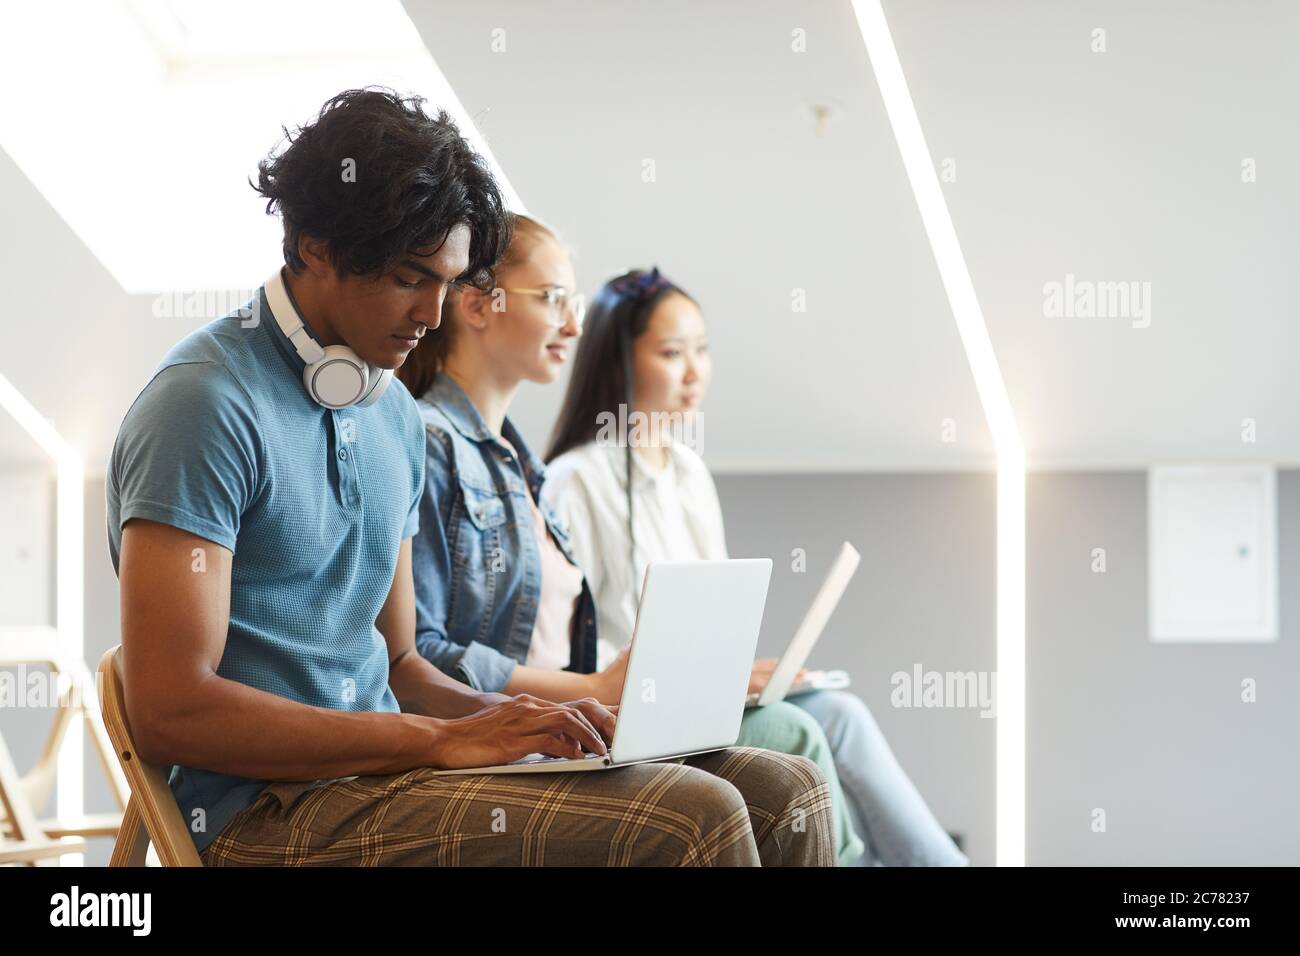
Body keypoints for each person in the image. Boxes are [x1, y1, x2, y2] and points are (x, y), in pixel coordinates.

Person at [105, 89, 833, 867]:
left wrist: (521, 718)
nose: (435, 310)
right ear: (314, 245)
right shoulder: (204, 405)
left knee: (787, 789)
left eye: (450, 281)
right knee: (695, 817)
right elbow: (171, 710)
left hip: (385, 777)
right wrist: (444, 739)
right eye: (412, 278)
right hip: (269, 815)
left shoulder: (389, 414)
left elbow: (400, 666)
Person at [398, 213, 858, 863]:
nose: (574, 324)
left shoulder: (518, 463)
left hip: (566, 723)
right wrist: (594, 688)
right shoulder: (430, 443)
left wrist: (609, 689)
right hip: (511, 739)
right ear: (476, 304)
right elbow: (421, 656)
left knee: (794, 779)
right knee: (725, 798)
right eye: (554, 298)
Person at [542, 268, 969, 867]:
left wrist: (742, 672)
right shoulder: (577, 480)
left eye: (702, 351)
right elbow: (572, 650)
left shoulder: (689, 473)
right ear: (619, 360)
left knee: (840, 710)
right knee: (814, 731)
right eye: (671, 353)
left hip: (702, 698)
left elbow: (709, 618)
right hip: (634, 713)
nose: (695, 372)